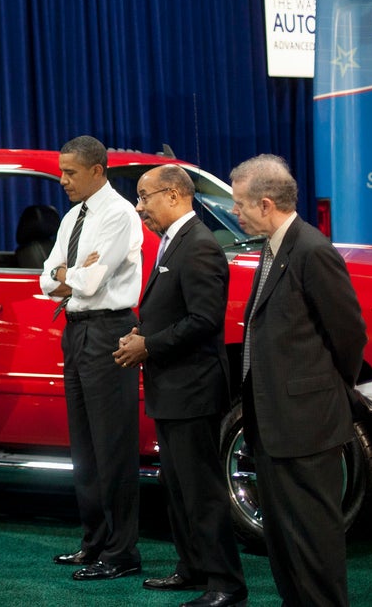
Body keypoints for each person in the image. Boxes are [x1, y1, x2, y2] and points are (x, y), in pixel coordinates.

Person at [231, 154, 366, 607]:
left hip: (306, 427)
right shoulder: (272, 247)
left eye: (240, 205)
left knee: (314, 549)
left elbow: (349, 335)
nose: (235, 213)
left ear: (266, 204)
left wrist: (323, 389)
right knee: (286, 549)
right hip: (273, 427)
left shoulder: (312, 250)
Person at [112, 165, 247, 607]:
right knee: (177, 488)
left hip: (193, 390)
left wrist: (148, 345)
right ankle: (192, 568)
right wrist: (142, 337)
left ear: (173, 195)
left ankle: (225, 584)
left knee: (202, 492)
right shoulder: (176, 242)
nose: (139, 206)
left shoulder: (200, 246)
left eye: (145, 196)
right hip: (173, 389)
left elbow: (204, 321)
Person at [40, 135, 143, 581]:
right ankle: (95, 542)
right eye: (62, 171)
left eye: (71, 172)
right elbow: (48, 278)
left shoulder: (119, 215)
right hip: (76, 332)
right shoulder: (70, 218)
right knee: (84, 447)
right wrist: (68, 275)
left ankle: (122, 552)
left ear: (98, 170)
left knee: (113, 445)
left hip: (109, 332)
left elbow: (93, 282)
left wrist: (70, 275)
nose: (62, 180)